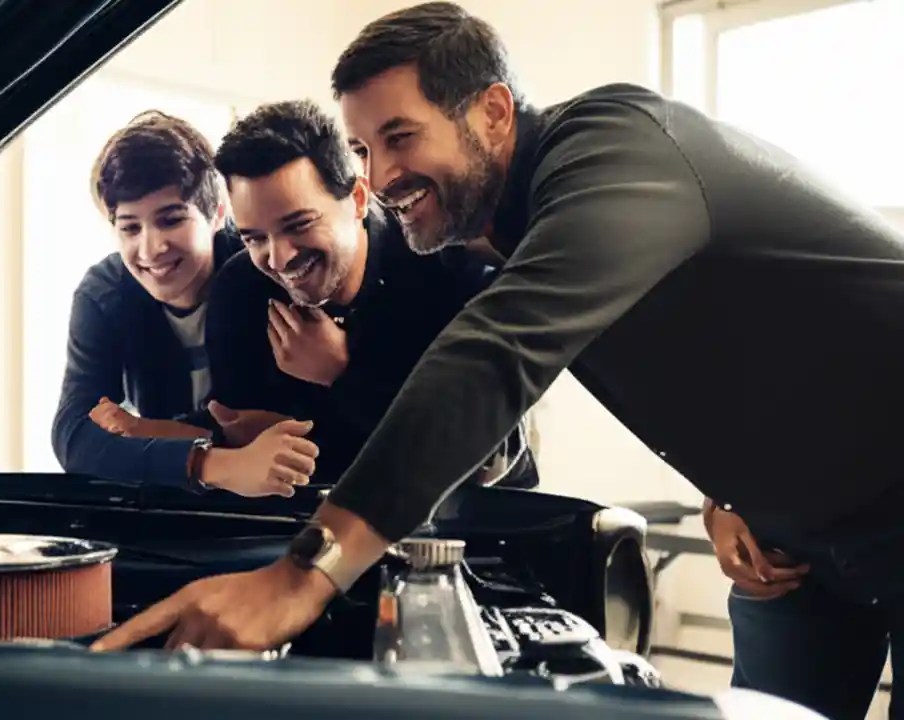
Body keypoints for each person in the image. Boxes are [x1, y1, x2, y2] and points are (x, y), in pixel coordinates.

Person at [92, 6, 904, 720]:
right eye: (363, 149)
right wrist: (728, 486)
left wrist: (303, 577)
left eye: (400, 137)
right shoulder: (503, 232)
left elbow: (495, 354)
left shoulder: (616, 149)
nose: (380, 176)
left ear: (491, 111)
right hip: (794, 546)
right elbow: (726, 350)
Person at [198, 99, 537, 488]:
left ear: (358, 198)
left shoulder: (450, 273)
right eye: (254, 238)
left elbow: (485, 457)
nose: (278, 258)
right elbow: (249, 445)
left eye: (299, 224)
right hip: (303, 523)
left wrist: (343, 374)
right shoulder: (239, 289)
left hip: (475, 523)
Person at [52, 110, 319, 499]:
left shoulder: (263, 271)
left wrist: (144, 432)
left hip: (280, 509)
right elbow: (73, 438)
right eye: (129, 227)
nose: (151, 248)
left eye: (171, 219)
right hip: (175, 512)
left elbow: (292, 429)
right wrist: (212, 461)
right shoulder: (103, 294)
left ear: (218, 214)